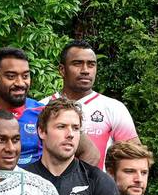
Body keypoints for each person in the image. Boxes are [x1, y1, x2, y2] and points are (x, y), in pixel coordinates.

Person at [41, 41, 139, 170]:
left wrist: (109, 184)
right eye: (77, 64)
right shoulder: (42, 107)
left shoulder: (114, 108)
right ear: (62, 70)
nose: (85, 70)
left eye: (91, 65)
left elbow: (135, 157)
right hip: (50, 186)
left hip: (96, 188)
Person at [0, 47, 45, 170]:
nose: (20, 83)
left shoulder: (43, 112)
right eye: (11, 76)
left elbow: (83, 150)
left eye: (25, 76)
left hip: (34, 186)